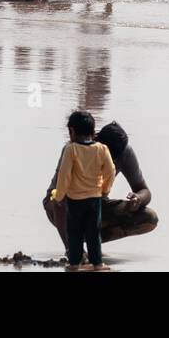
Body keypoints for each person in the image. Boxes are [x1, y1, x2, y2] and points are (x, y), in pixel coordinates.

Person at [44, 120, 157, 251]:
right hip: (64, 206)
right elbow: (58, 199)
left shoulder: (124, 152)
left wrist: (138, 198)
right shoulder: (74, 149)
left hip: (96, 206)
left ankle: (93, 243)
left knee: (149, 218)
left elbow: (144, 190)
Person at [48, 110, 116, 271]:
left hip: (75, 200)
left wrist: (59, 196)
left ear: (71, 131)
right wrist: (105, 189)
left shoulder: (71, 150)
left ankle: (74, 263)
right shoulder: (102, 149)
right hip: (94, 199)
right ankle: (98, 264)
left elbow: (64, 176)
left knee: (74, 232)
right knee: (94, 232)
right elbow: (110, 171)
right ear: (93, 132)